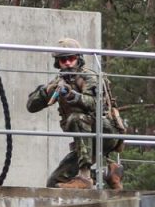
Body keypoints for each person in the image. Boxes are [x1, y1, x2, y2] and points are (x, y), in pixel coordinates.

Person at [26, 39, 125, 190]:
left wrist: (73, 95)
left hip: (105, 133)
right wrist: (47, 91)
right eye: (63, 59)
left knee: (76, 118)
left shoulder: (89, 77)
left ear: (78, 59)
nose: (67, 63)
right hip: (86, 142)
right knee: (54, 182)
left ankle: (84, 177)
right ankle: (109, 173)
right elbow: (31, 106)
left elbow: (96, 104)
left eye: (71, 58)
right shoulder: (58, 81)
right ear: (57, 62)